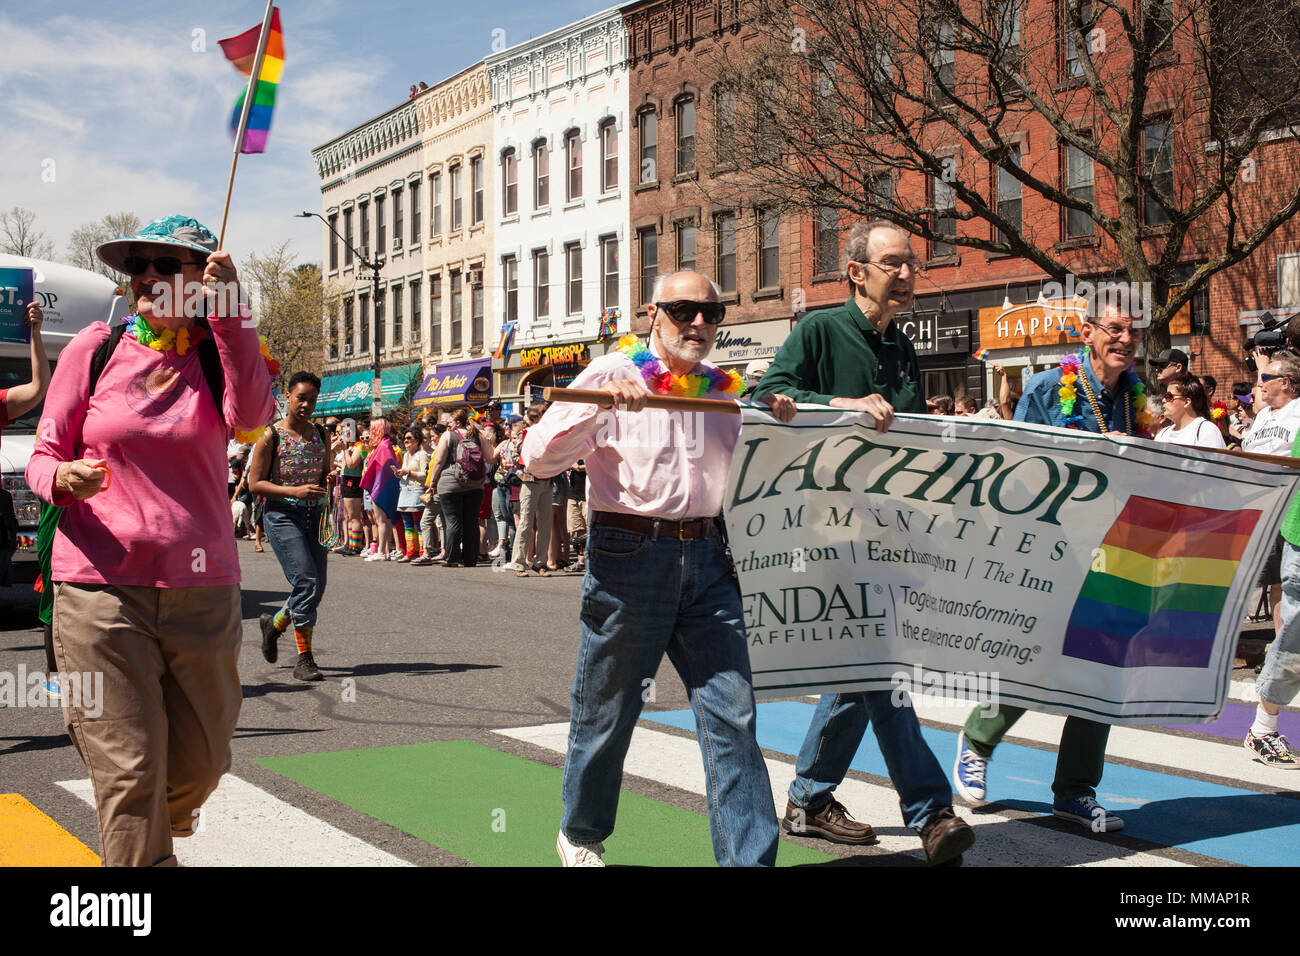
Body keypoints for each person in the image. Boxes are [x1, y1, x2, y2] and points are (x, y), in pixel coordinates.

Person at [524, 269, 796, 866]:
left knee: (733, 717)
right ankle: (581, 831)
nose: (698, 323)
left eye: (711, 312)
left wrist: (779, 413)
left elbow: (766, 467)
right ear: (654, 313)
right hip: (629, 553)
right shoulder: (610, 374)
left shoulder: (726, 392)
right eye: (682, 310)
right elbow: (536, 460)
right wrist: (598, 413)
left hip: (710, 557)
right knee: (608, 708)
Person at [25, 214, 274, 866]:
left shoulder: (220, 357)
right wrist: (62, 478)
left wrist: (234, 313)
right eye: (138, 267)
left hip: (204, 592)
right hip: (98, 595)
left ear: (200, 282)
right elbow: (41, 456)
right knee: (130, 777)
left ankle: (140, 838)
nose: (147, 278)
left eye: (167, 266)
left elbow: (251, 421)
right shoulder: (93, 348)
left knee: (200, 766)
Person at [757, 220, 974, 865]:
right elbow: (768, 396)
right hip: (829, 535)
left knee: (863, 673)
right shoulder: (819, 330)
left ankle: (808, 799)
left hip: (892, 535)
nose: (906, 275)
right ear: (857, 272)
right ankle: (932, 811)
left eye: (911, 264)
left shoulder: (902, 346)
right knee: (881, 669)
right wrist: (844, 404)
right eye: (893, 264)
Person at [953, 302, 1154, 834]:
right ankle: (977, 740)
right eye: (1114, 329)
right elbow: (1019, 469)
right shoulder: (1048, 387)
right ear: (1088, 334)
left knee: (1100, 668)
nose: (1125, 339)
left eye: (1132, 332)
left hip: (1115, 550)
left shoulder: (1136, 397)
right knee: (1037, 653)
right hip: (1055, 548)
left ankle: (1075, 791)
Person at [249, 371, 330, 682]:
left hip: (316, 517)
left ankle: (276, 624)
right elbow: (255, 484)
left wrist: (328, 482)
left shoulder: (321, 435)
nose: (306, 405)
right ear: (287, 397)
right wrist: (293, 492)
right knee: (307, 582)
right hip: (282, 516)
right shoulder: (271, 436)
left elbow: (324, 473)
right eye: (301, 398)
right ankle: (304, 659)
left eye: (312, 399)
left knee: (315, 588)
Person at [1241, 351, 1300, 633]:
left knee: (1285, 581)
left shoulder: (1298, 411)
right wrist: (1262, 367)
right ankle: (1280, 647)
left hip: (1285, 503)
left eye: (1266, 378)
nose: (1261, 383)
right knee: (1272, 579)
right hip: (1257, 503)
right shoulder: (1263, 414)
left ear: (1286, 383)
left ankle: (1283, 649)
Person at [428, 406, 495, 567]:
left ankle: (452, 558)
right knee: (471, 521)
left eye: (450, 422)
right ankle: (470, 558)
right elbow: (490, 458)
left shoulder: (448, 436)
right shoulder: (478, 435)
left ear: (457, 422)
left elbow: (439, 461)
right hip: (475, 483)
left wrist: (432, 482)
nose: (448, 426)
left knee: (453, 521)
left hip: (451, 483)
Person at [504, 404, 552, 575]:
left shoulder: (548, 433)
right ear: (536, 417)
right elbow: (518, 454)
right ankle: (518, 562)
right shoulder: (526, 434)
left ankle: (540, 562)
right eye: (544, 414)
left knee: (545, 524)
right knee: (525, 522)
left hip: (547, 480)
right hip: (530, 481)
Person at [360, 419, 399, 562]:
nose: (370, 433)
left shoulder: (383, 446)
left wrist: (375, 491)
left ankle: (382, 552)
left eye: (372, 429)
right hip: (383, 486)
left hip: (382, 487)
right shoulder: (385, 444)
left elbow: (382, 472)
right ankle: (385, 551)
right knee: (384, 521)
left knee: (382, 520)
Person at [1153, 375, 1226, 449]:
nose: (1163, 400)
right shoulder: (1163, 434)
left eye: (1169, 396)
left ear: (1187, 402)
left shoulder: (1206, 430)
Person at [394, 427, 429, 562]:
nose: (406, 440)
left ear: (417, 440)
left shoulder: (422, 454)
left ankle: (422, 552)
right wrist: (400, 473)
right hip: (404, 492)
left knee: (418, 523)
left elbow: (424, 475)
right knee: (407, 524)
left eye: (409, 438)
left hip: (416, 492)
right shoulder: (405, 455)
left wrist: (408, 472)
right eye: (405, 438)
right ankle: (410, 552)